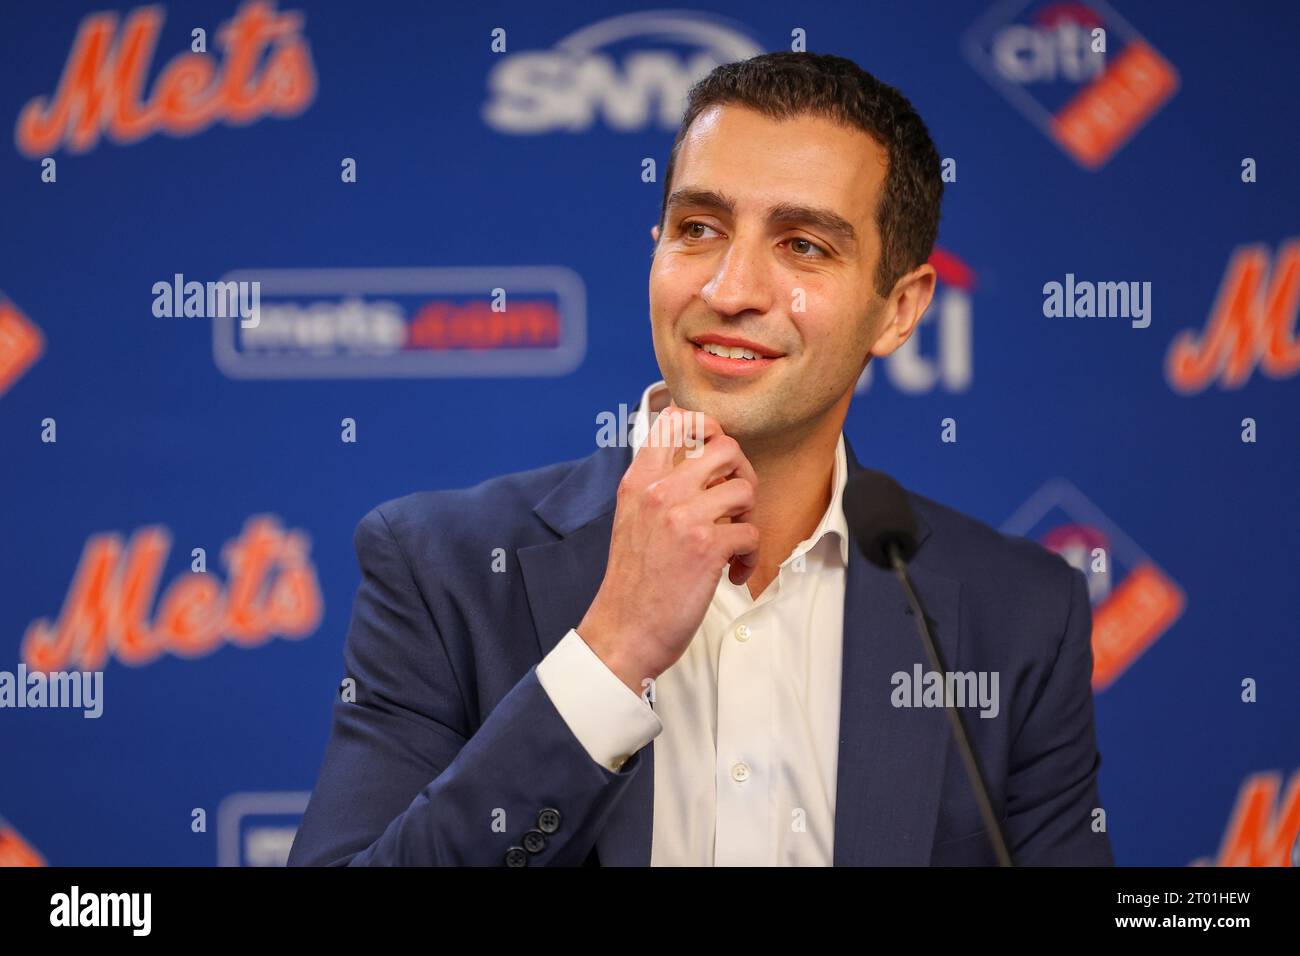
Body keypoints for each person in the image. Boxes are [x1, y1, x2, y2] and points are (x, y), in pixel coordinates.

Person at [288, 51, 1113, 867]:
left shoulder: (1020, 617)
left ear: (897, 311)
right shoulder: (443, 569)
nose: (730, 288)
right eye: (699, 229)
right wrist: (611, 652)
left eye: (804, 247)